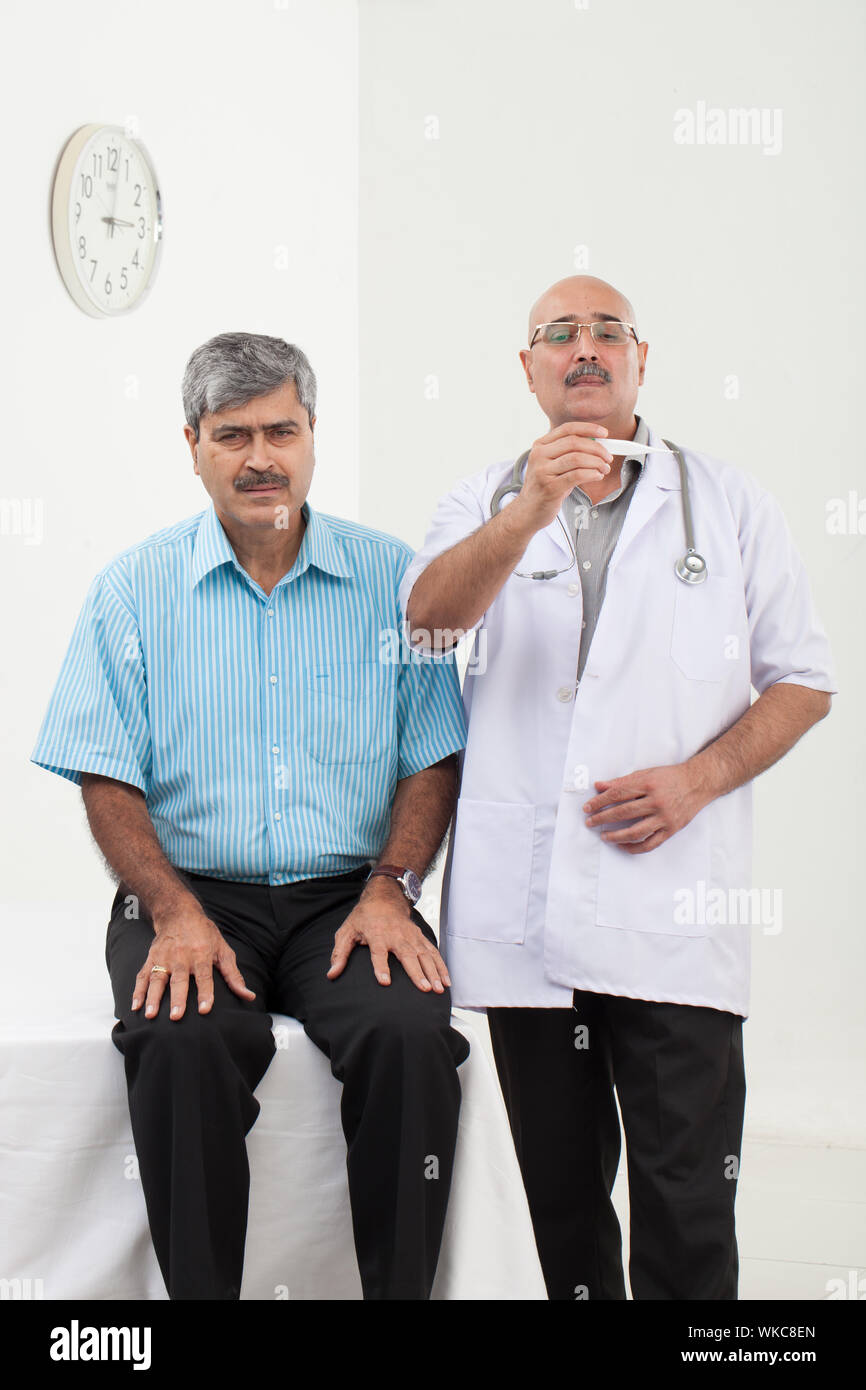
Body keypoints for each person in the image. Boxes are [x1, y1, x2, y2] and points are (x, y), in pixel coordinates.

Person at [399, 275, 836, 1301]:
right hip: (526, 911)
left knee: (686, 1204)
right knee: (559, 1209)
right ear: (528, 368)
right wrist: (528, 510)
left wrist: (698, 778)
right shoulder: (479, 502)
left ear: (642, 359)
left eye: (606, 331)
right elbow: (425, 624)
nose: (582, 347)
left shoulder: (728, 504)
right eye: (558, 333)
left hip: (671, 908)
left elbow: (804, 680)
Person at [30, 331, 469, 1301]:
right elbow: (105, 774)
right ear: (191, 442)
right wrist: (172, 910)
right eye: (233, 433)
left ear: (313, 436)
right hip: (190, 891)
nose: (260, 455)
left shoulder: (396, 582)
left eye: (281, 429)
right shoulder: (132, 591)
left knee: (406, 1034)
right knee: (181, 1040)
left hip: (349, 898)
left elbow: (432, 753)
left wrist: (393, 888)